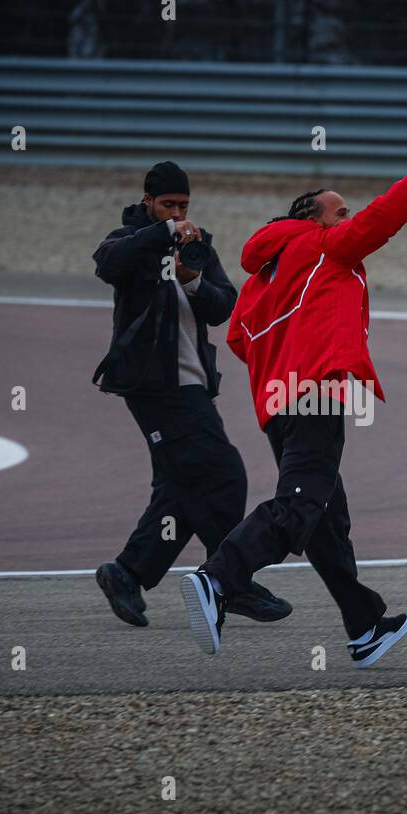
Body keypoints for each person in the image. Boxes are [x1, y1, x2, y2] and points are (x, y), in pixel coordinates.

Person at [181, 134, 407, 667]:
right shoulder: (323, 245)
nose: (348, 218)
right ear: (316, 220)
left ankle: (366, 625)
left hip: (278, 405)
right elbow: (378, 221)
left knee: (325, 519)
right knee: (301, 504)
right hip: (314, 395)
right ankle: (218, 578)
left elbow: (239, 339)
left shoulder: (263, 275)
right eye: (340, 211)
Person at [91, 161, 291, 628]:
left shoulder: (195, 247)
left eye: (183, 206)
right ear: (148, 203)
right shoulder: (130, 241)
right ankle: (231, 581)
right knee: (225, 474)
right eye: (168, 205)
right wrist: (161, 233)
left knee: (182, 486)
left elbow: (226, 306)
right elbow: (106, 264)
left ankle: (127, 573)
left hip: (193, 383)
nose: (177, 213)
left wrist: (193, 277)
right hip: (152, 386)